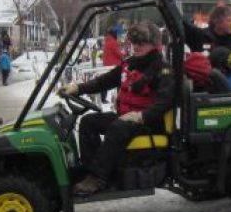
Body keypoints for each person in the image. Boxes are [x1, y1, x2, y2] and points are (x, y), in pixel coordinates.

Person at [58, 21, 174, 196]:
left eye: (141, 43)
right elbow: (104, 81)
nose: (136, 47)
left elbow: (164, 103)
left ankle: (97, 177)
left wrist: (141, 116)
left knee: (117, 127)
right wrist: (78, 88)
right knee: (89, 122)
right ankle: (91, 170)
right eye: (134, 43)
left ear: (154, 45)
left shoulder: (162, 69)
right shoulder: (130, 64)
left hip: (148, 122)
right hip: (127, 118)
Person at [101, 28, 123, 103]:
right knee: (120, 82)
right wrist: (125, 54)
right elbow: (118, 54)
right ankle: (119, 97)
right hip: (114, 65)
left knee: (105, 81)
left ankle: (103, 98)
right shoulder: (113, 42)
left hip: (106, 64)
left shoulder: (106, 41)